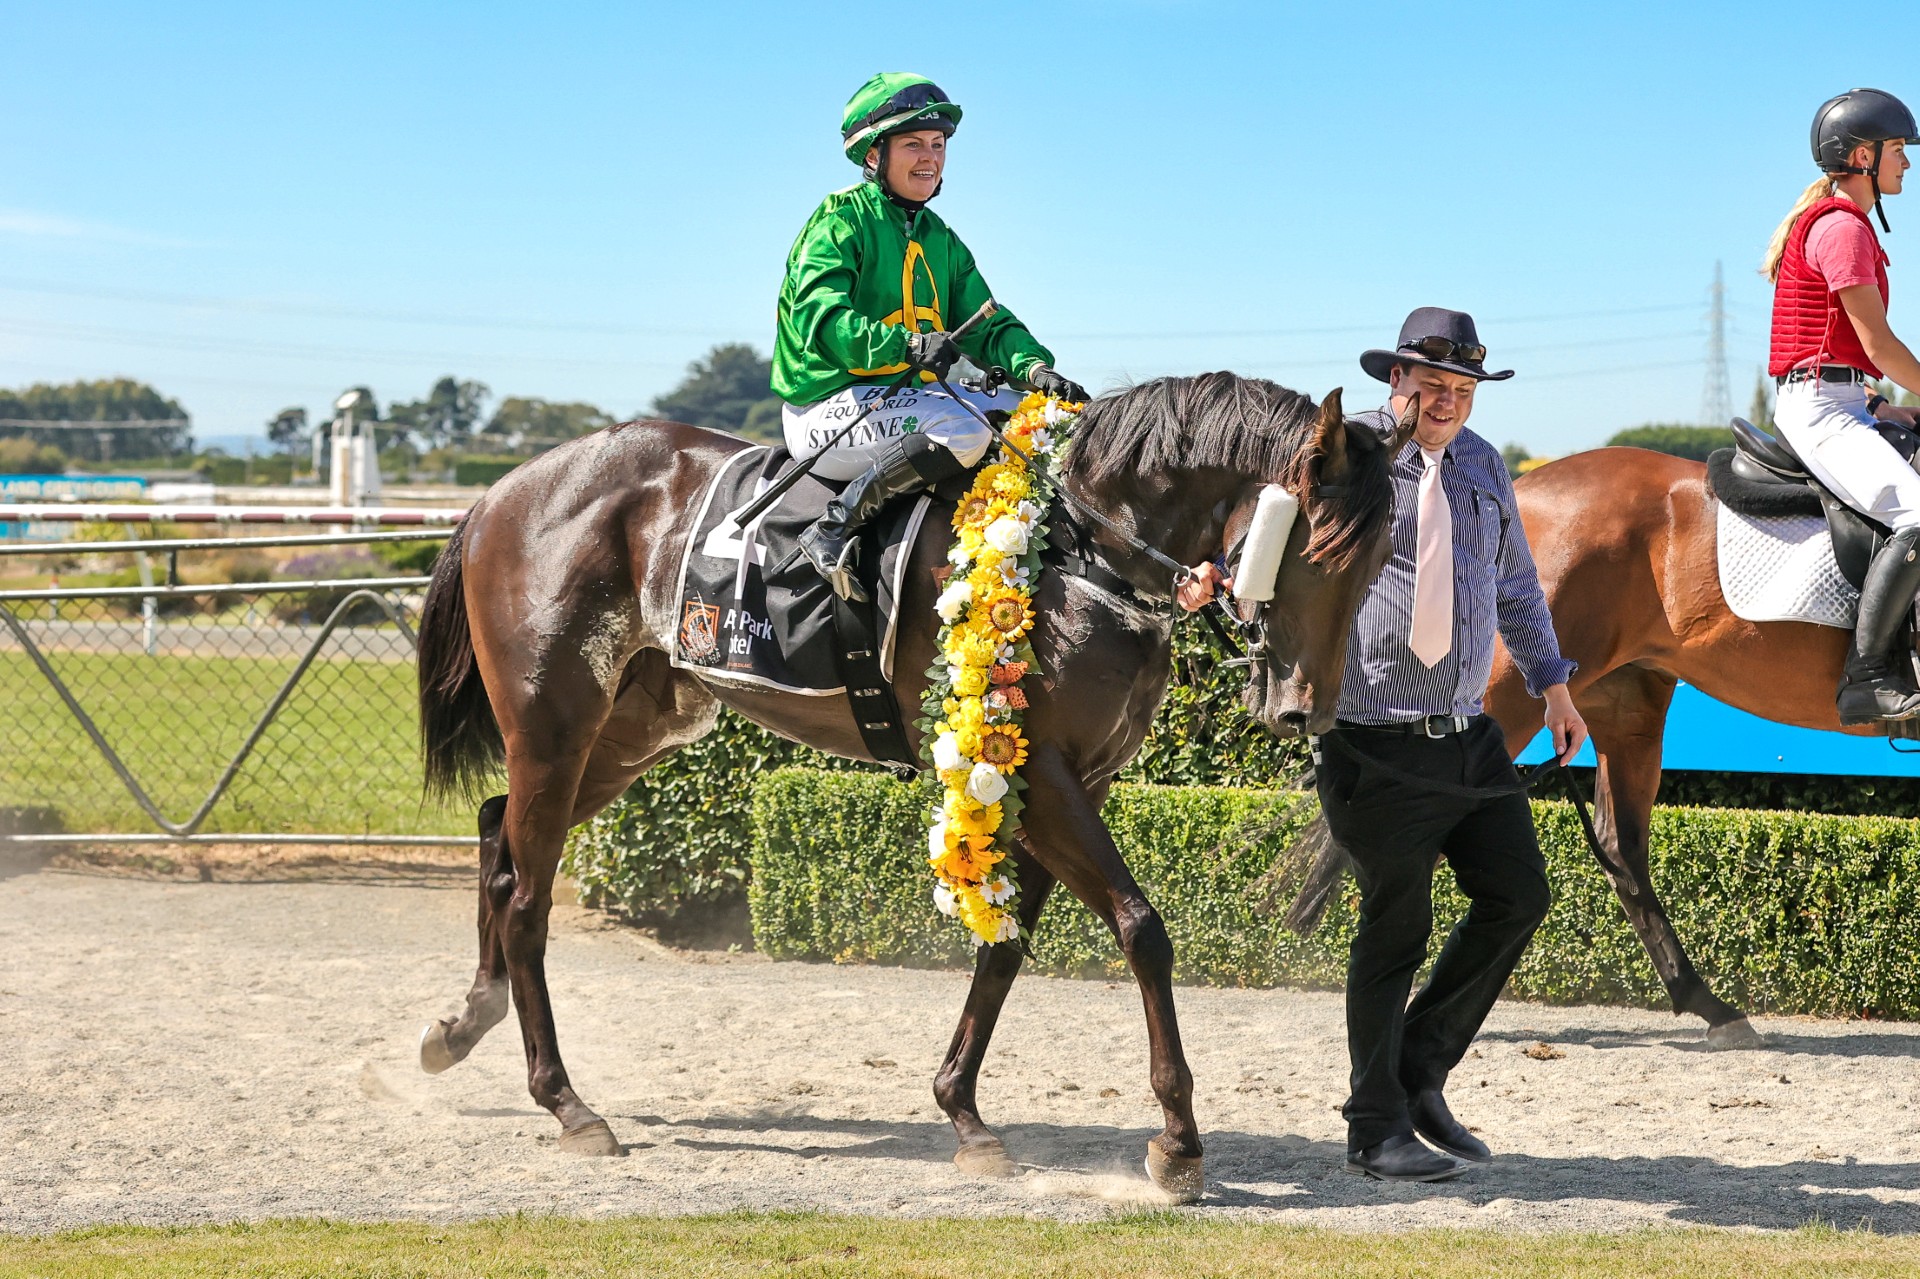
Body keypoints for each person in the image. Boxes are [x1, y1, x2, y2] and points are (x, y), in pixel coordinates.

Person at [1180, 308, 1587, 1182]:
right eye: (1432, 384)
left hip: (1468, 733)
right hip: (1373, 739)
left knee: (1518, 895)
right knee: (1396, 926)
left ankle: (1419, 1070)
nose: (1447, 401)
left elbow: (1515, 583)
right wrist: (1216, 588)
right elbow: (1263, 560)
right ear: (1394, 381)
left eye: (1463, 390)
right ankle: (1374, 1127)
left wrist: (1555, 685)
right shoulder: (1342, 457)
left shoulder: (1482, 466)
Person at [773, 72, 1087, 601]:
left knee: (1039, 419)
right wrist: (910, 347)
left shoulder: (941, 239)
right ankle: (833, 525)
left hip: (905, 402)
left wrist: (1035, 369)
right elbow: (821, 321)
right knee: (966, 430)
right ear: (874, 155)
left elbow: (989, 323)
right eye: (913, 144)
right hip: (827, 410)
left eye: (938, 145)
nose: (930, 158)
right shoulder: (838, 221)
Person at [1764, 88, 1920, 724]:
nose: (1907, 164)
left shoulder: (1840, 224)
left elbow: (1850, 350)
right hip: (1819, 410)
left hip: (1844, 400)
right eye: (1898, 152)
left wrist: (1882, 406)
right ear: (1863, 156)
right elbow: (1880, 342)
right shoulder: (1841, 227)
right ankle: (1869, 676)